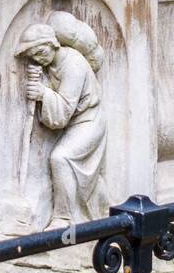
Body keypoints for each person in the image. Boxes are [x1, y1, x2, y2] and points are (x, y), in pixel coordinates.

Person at [15, 23, 108, 228]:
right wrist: (41, 83)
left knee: (60, 158)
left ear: (53, 43)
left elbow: (63, 112)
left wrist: (42, 93)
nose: (38, 59)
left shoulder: (73, 64)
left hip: (89, 121)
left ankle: (64, 218)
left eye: (40, 52)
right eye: (33, 56)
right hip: (76, 122)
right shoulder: (50, 65)